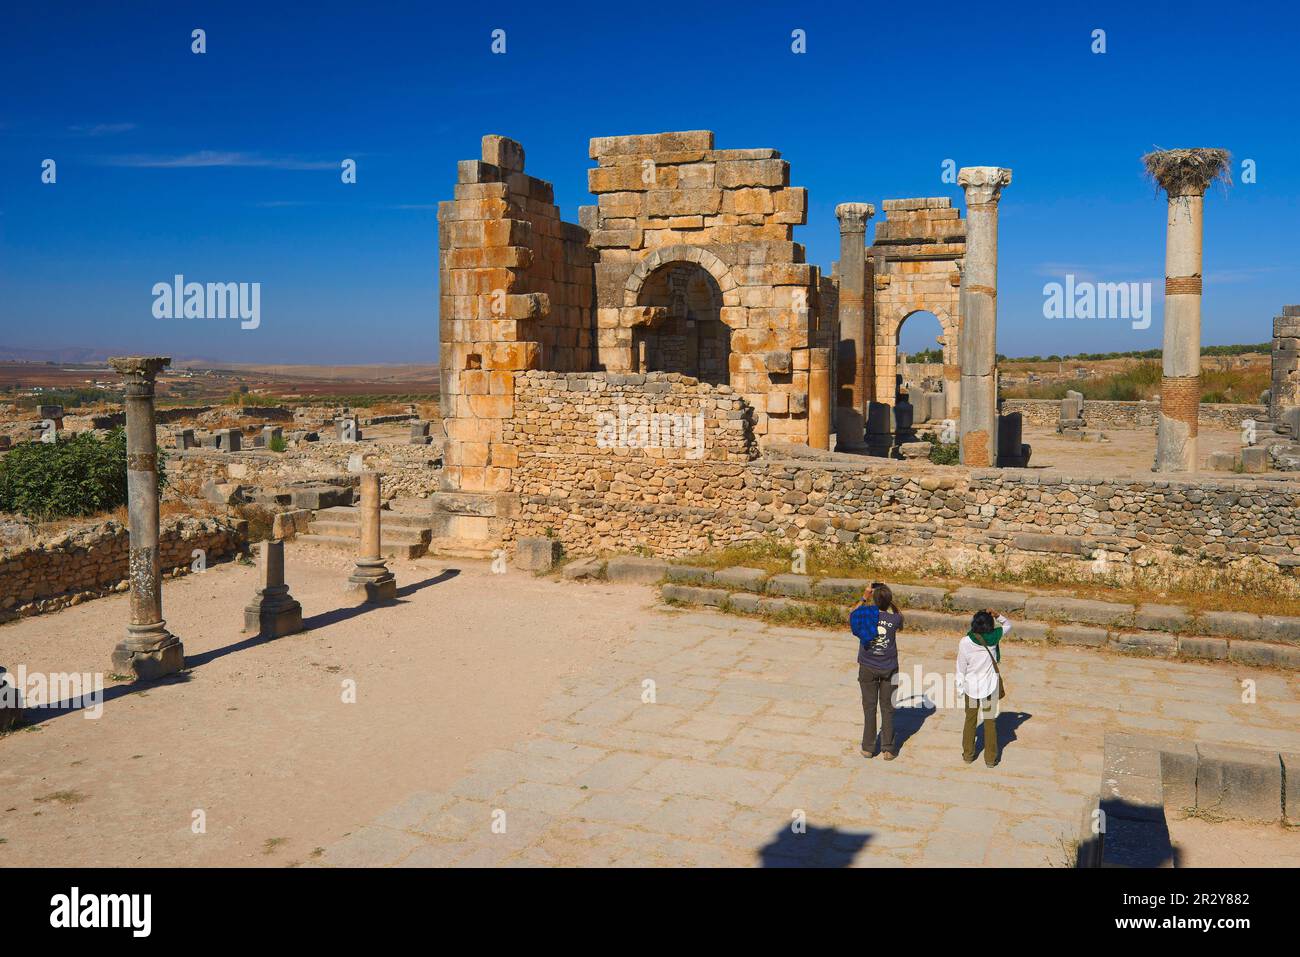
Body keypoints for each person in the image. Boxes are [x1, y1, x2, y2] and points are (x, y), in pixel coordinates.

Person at [849, 583, 904, 760]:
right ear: (889, 600)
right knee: (888, 708)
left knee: (869, 707)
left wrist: (865, 596)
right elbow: (899, 615)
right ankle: (888, 749)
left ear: (873, 599)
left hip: (867, 667)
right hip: (889, 667)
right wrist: (888, 598)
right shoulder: (895, 619)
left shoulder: (866, 616)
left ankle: (868, 748)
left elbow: (852, 614)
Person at [956, 609, 1010, 767]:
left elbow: (961, 667)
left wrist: (959, 688)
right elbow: (1008, 625)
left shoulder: (965, 642)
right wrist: (997, 615)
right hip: (989, 687)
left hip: (971, 688)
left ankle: (968, 754)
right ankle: (991, 759)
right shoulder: (994, 637)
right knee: (989, 722)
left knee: (970, 720)